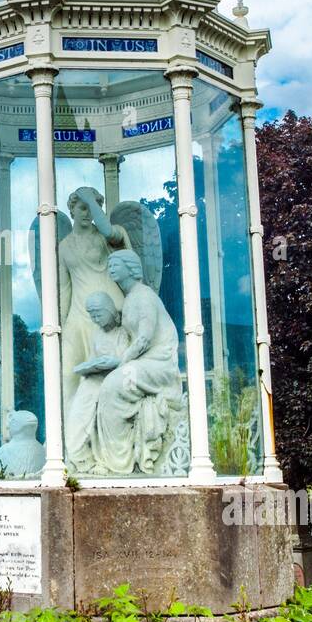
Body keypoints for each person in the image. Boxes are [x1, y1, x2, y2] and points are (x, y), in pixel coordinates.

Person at [93, 250, 184, 475]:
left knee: (113, 385)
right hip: (144, 363)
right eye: (110, 263)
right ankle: (118, 454)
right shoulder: (131, 297)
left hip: (159, 365)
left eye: (117, 263)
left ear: (131, 267)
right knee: (108, 386)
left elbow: (143, 339)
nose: (111, 267)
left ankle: (118, 460)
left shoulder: (143, 296)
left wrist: (120, 363)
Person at [57, 186, 131, 403]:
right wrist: (60, 327)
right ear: (72, 210)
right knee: (68, 373)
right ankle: (70, 432)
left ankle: (105, 429)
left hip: (108, 310)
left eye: (93, 208)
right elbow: (63, 288)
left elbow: (109, 230)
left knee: (107, 374)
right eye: (82, 208)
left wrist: (89, 199)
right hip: (78, 315)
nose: (87, 213)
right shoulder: (64, 246)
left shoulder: (106, 237)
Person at [65, 291, 131, 474]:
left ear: (109, 310)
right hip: (94, 379)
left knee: (89, 406)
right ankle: (77, 455)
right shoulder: (97, 333)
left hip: (112, 380)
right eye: (92, 315)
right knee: (77, 410)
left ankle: (85, 457)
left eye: (98, 314)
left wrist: (114, 362)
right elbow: (94, 358)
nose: (95, 319)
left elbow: (127, 360)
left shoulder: (122, 332)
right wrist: (87, 368)